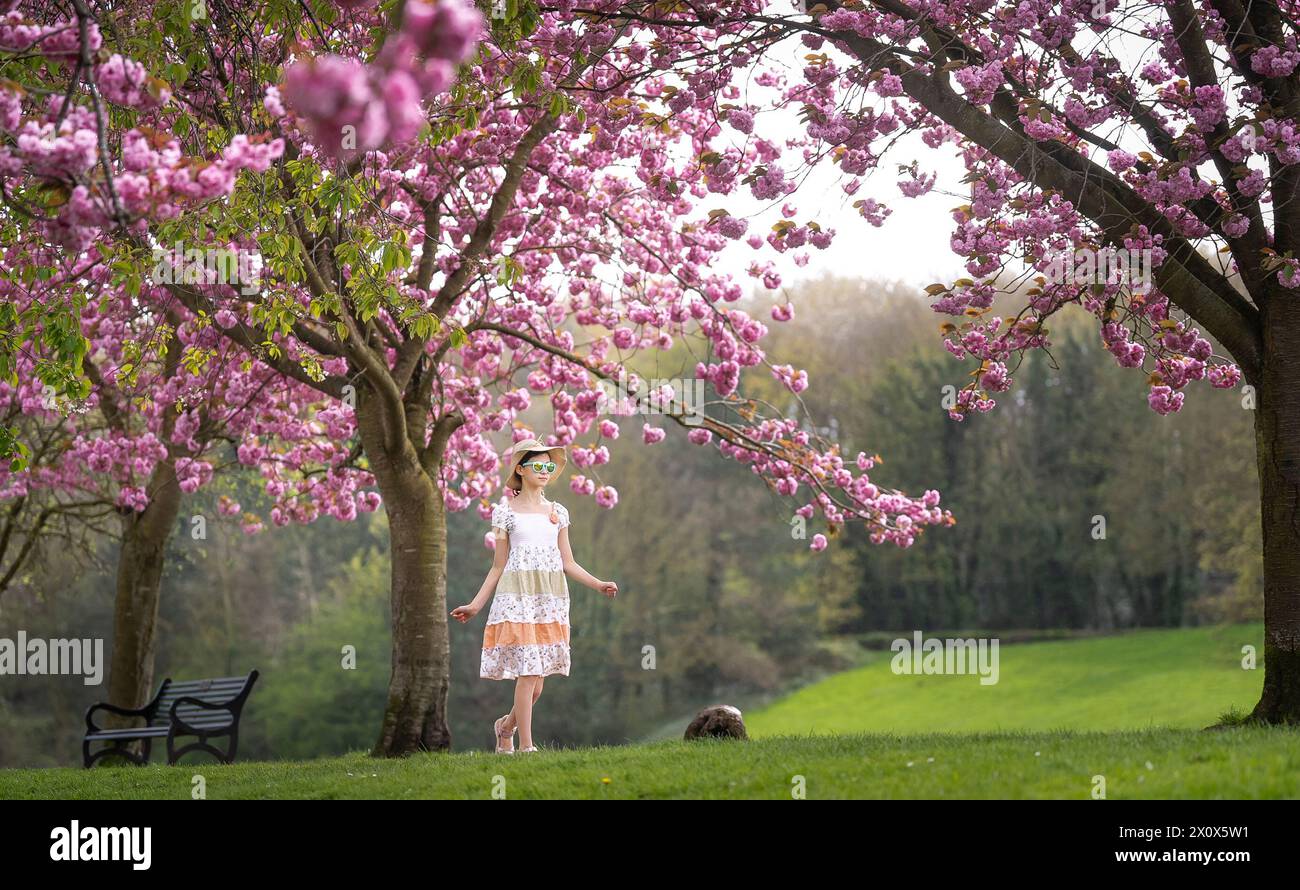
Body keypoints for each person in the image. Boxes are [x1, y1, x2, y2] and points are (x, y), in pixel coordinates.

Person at [450, 437, 618, 754]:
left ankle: (505, 728)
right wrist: (475, 605)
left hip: (549, 598)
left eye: (548, 466)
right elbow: (498, 565)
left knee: (537, 682)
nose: (545, 471)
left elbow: (568, 562)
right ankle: (526, 747)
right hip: (517, 597)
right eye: (537, 465)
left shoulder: (558, 513)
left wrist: (598, 584)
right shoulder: (503, 514)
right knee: (527, 673)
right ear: (520, 469)